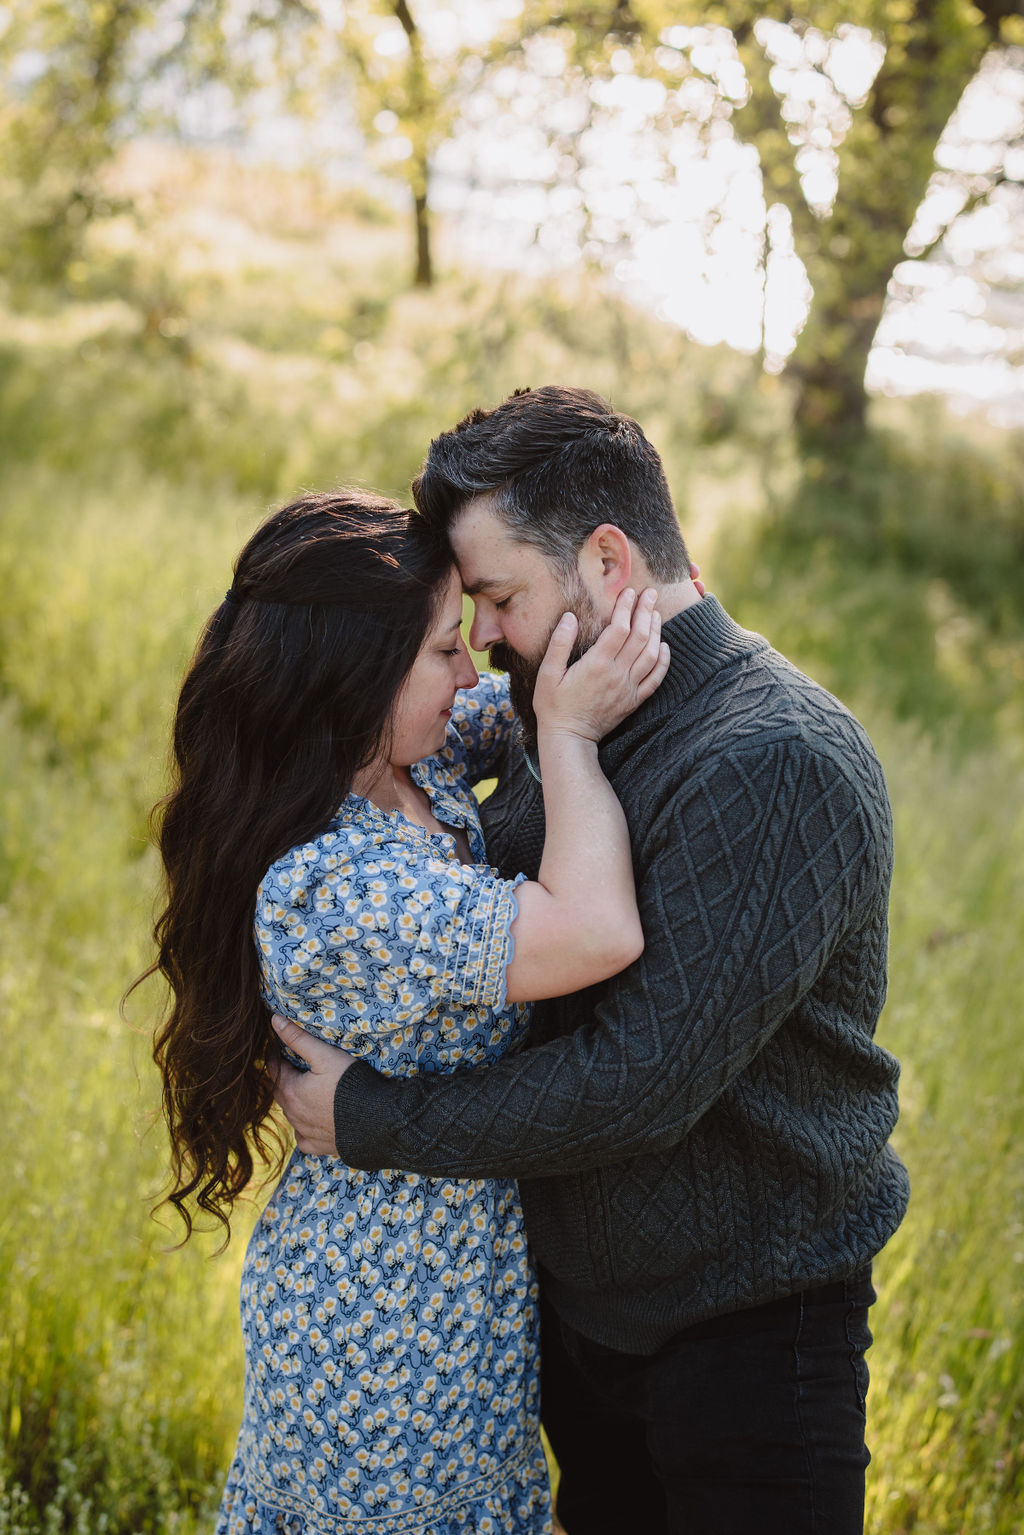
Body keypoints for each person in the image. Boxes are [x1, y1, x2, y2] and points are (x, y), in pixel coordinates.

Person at [271, 389, 911, 1535]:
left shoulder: (773, 758)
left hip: (747, 1335)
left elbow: (641, 1080)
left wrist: (370, 1118)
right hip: (580, 1322)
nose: (492, 641)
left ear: (608, 560)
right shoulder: (559, 705)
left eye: (501, 598)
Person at [148, 487, 672, 1535]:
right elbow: (596, 933)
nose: (468, 668)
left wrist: (635, 606)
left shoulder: (402, 764)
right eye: (443, 649)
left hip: (465, 1282)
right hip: (382, 1320)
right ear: (353, 677)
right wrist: (566, 739)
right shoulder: (334, 886)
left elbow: (515, 699)